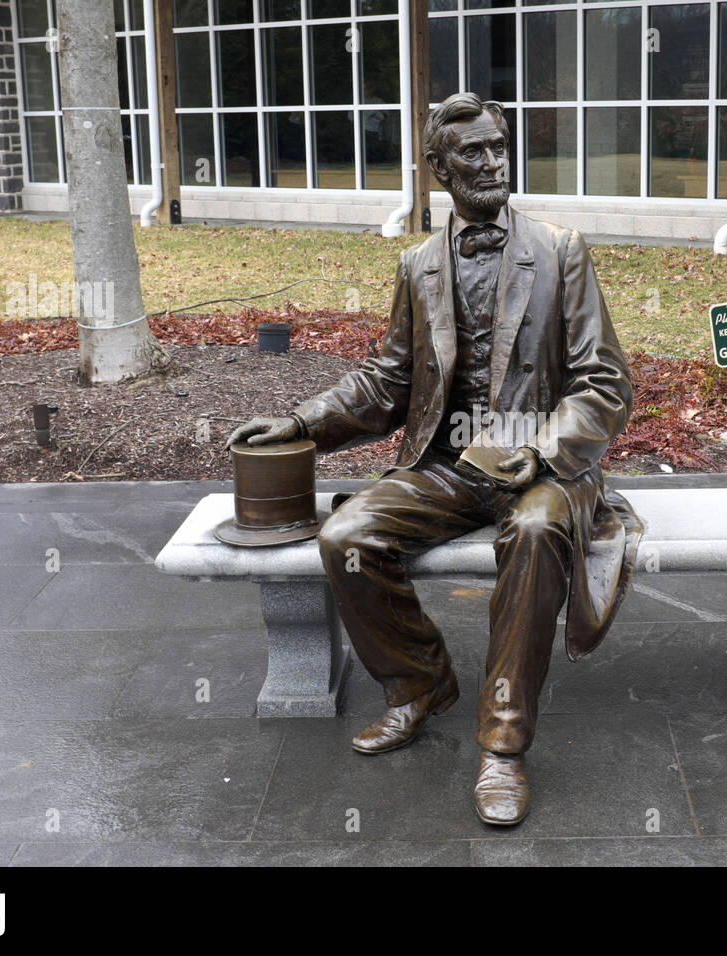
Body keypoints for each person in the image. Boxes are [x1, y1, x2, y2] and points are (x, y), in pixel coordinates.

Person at [227, 92, 641, 826]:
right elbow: (387, 380)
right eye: (474, 152)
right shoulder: (418, 264)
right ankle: (419, 684)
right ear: (436, 169)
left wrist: (542, 449)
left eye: (499, 146)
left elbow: (603, 381)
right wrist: (300, 421)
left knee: (540, 531)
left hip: (539, 467)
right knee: (347, 536)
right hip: (448, 466)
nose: (492, 161)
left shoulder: (559, 252)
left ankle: (504, 746)